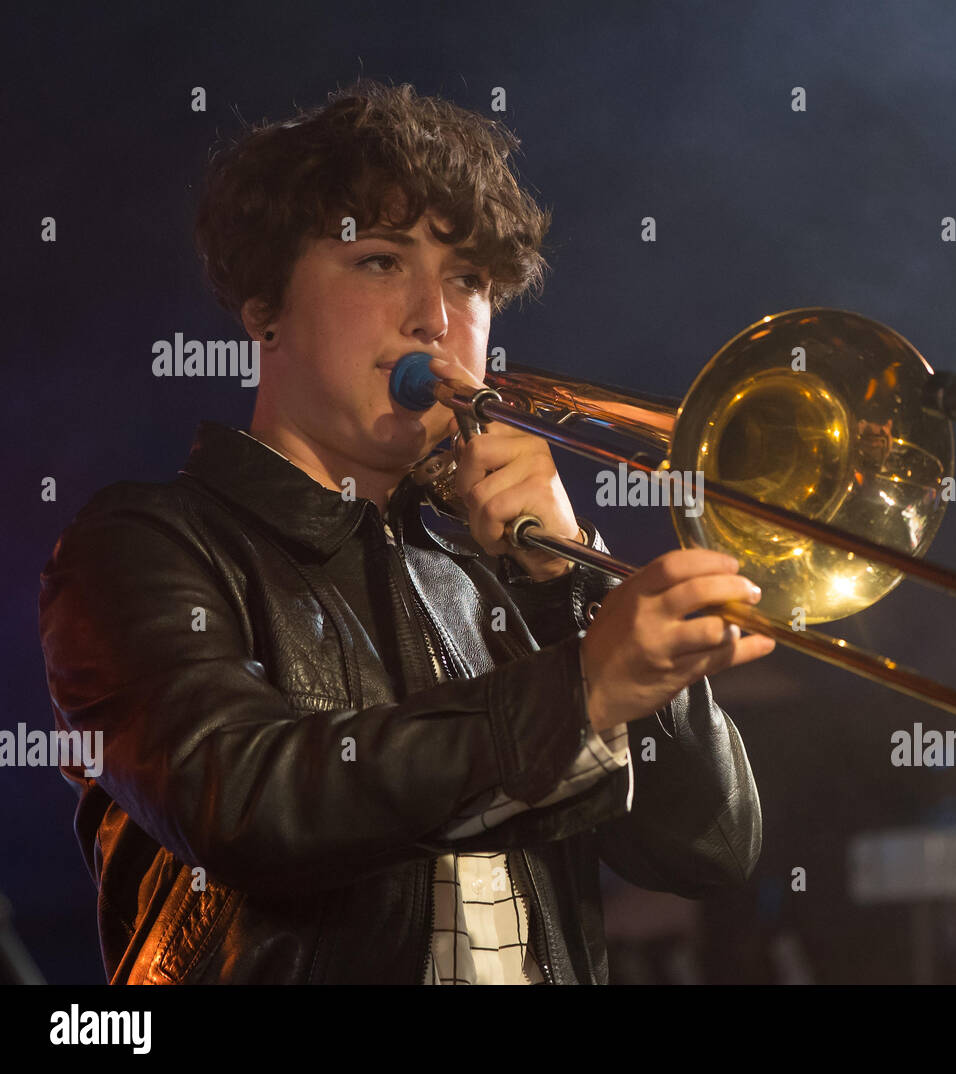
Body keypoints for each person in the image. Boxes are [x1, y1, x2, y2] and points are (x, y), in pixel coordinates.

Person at [37, 80, 773, 985]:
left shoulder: (499, 569)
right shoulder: (138, 546)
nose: (436, 316)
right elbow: (243, 804)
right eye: (381, 260)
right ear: (264, 307)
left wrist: (570, 584)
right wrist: (578, 691)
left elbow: (711, 850)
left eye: (468, 279)